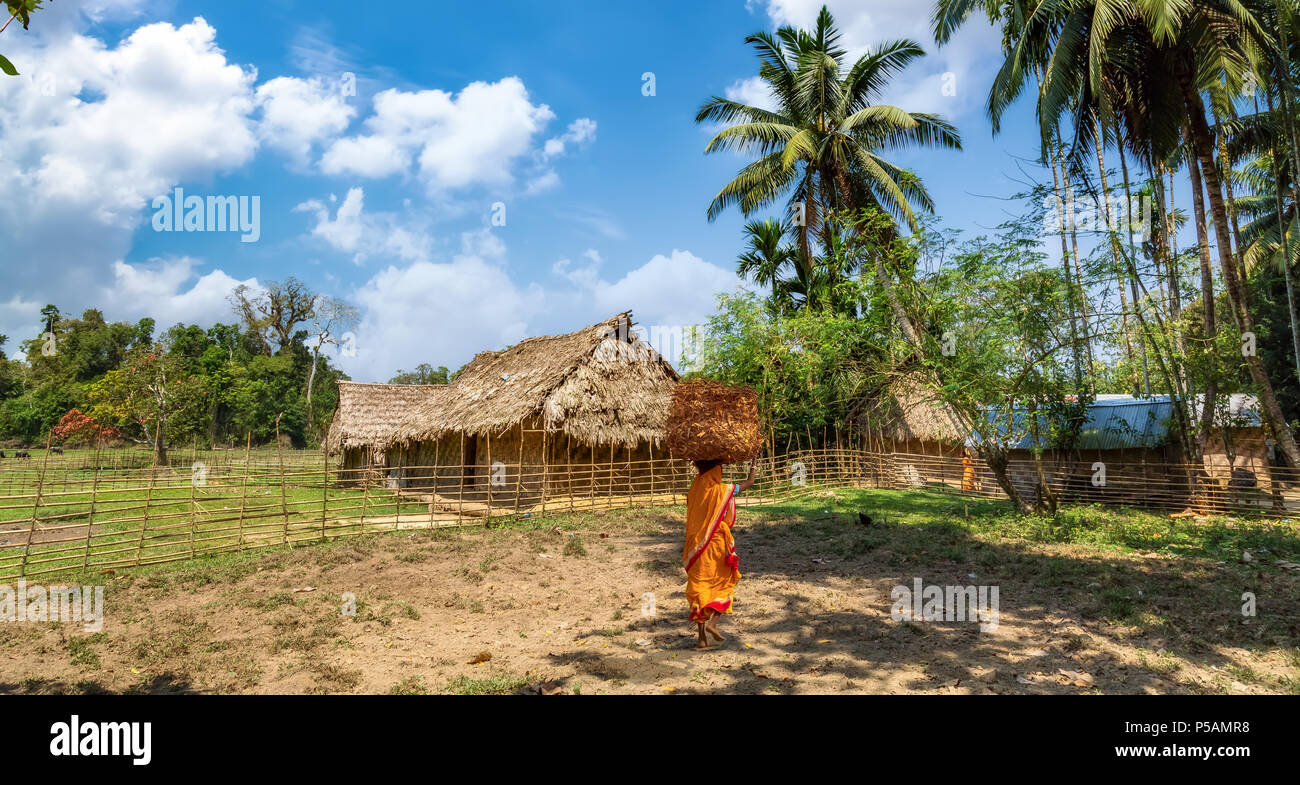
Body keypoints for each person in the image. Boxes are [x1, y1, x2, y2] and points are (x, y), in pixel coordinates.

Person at [683, 457, 757, 648]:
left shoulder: (696, 488)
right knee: (723, 582)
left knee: (699, 588)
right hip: (716, 544)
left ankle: (701, 638)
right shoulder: (720, 490)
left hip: (696, 546)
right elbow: (749, 483)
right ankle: (713, 623)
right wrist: (754, 463)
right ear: (715, 470)